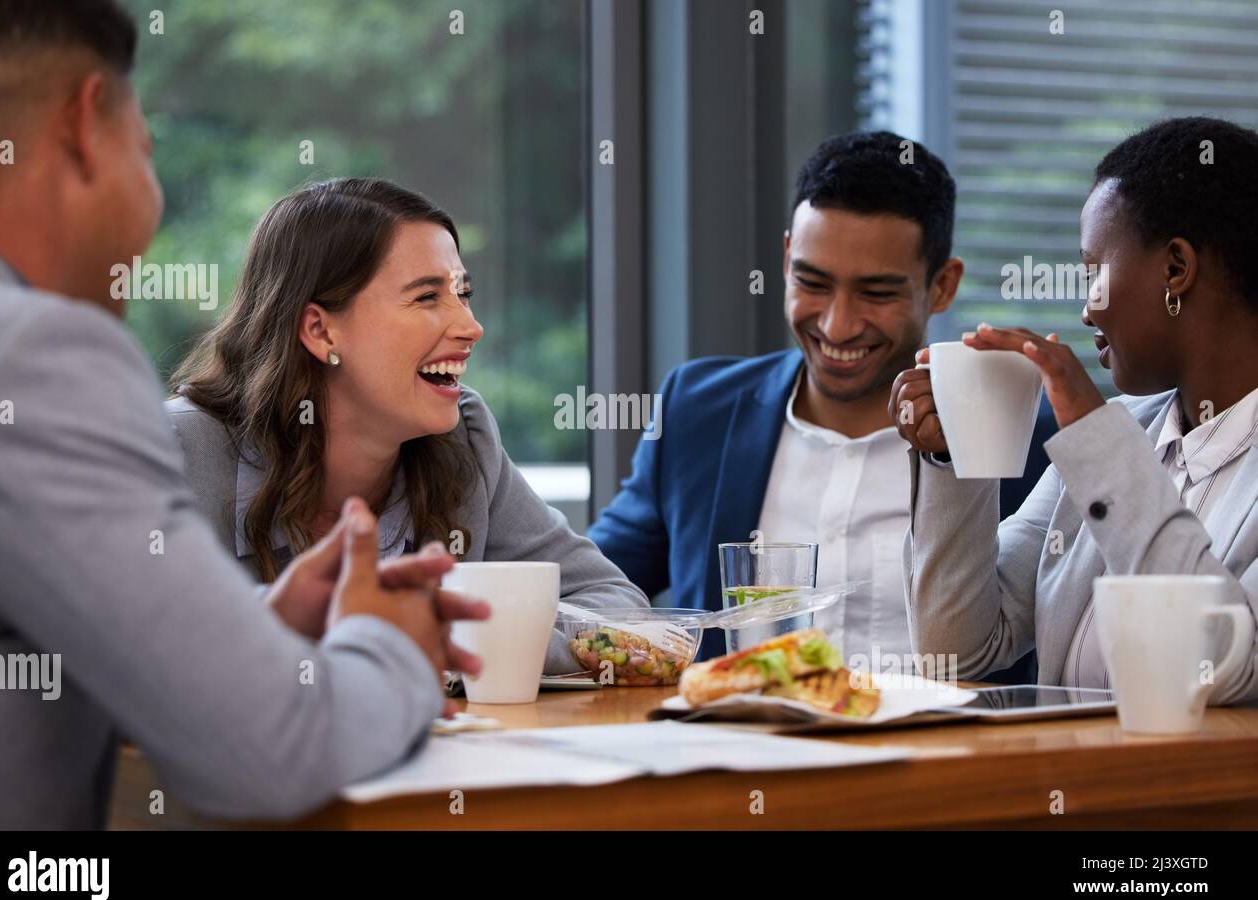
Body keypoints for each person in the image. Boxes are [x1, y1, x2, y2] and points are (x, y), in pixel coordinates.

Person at [0, 0, 483, 830]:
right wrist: (390, 643)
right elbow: (273, 755)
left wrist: (251, 645)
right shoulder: (28, 357)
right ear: (83, 125)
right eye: (148, 153)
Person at [590, 131, 1056, 664]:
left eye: (876, 293)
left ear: (943, 286)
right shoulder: (697, 409)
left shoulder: (1033, 441)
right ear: (787, 258)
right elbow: (596, 590)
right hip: (732, 744)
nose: (837, 325)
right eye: (812, 282)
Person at [164, 177, 647, 675]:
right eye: (426, 298)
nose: (471, 327)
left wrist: (457, 638)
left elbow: (615, 606)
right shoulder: (176, 450)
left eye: (463, 294)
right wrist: (393, 641)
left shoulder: (465, 437)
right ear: (320, 330)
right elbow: (140, 655)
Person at [891, 116, 1258, 704]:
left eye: (1093, 273)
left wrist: (1094, 437)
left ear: (1175, 269)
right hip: (1072, 791)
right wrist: (950, 453)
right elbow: (958, 649)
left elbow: (1217, 667)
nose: (1086, 312)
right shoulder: (1123, 433)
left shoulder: (1102, 443)